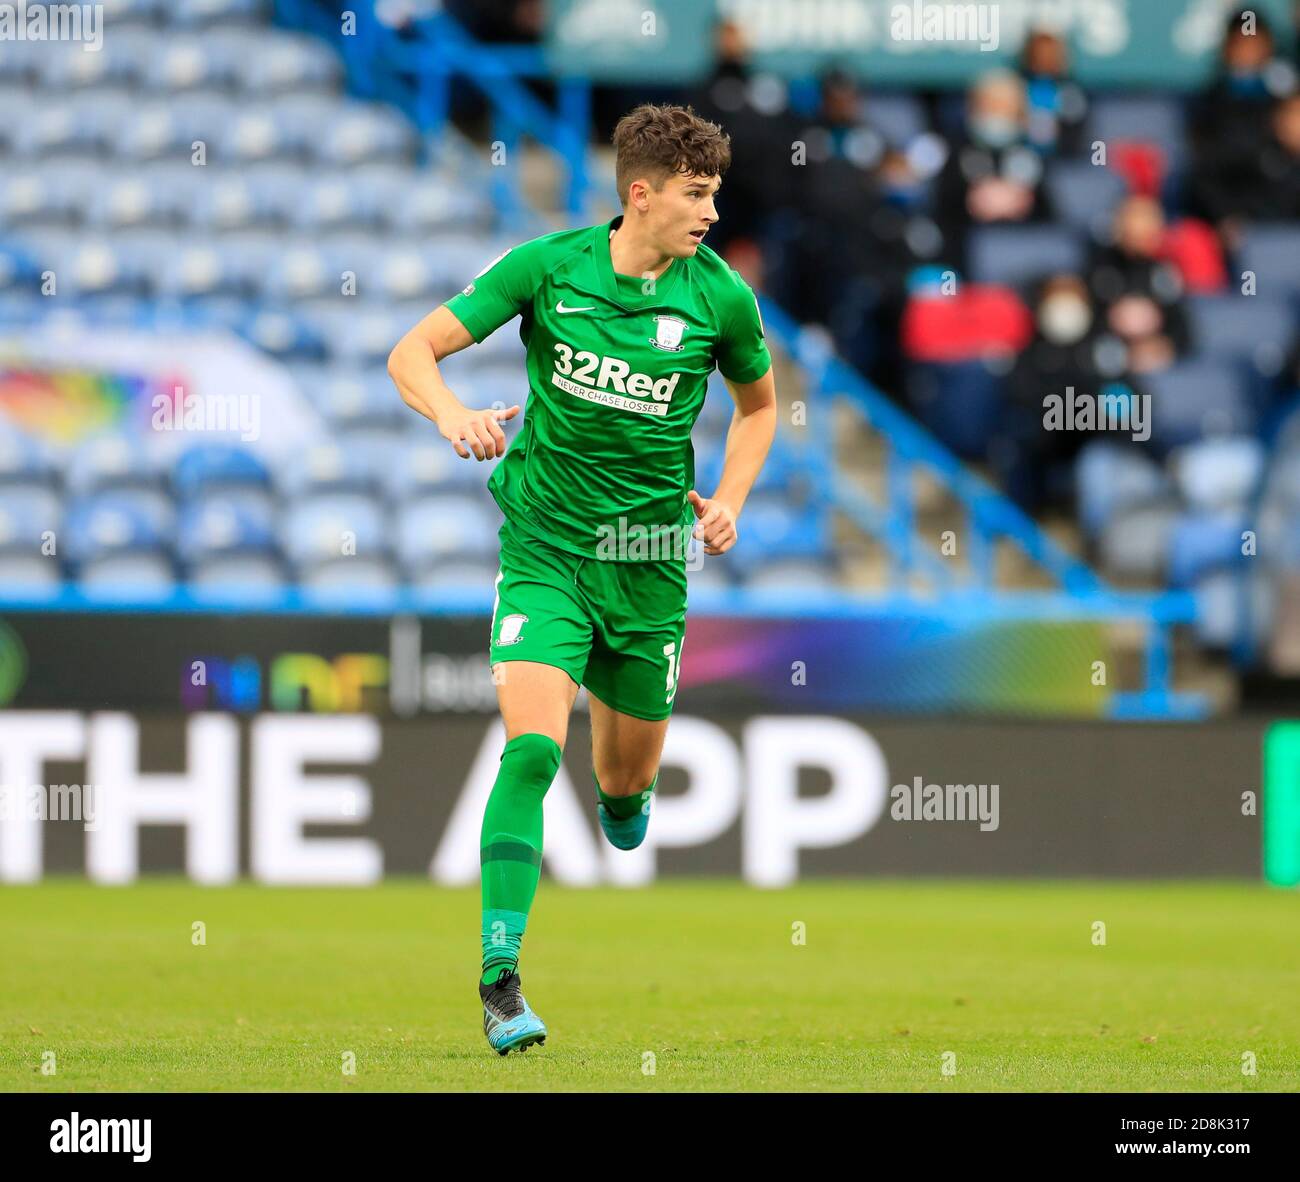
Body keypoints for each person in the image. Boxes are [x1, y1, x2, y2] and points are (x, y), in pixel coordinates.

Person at [387, 103, 777, 1055]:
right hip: (547, 549)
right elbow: (413, 351)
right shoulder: (546, 268)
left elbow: (761, 409)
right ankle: (500, 975)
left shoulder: (721, 298)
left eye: (715, 194)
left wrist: (728, 496)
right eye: (697, 194)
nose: (711, 214)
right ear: (640, 194)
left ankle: (624, 797)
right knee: (529, 752)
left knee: (623, 787)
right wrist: (451, 417)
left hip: (648, 566)